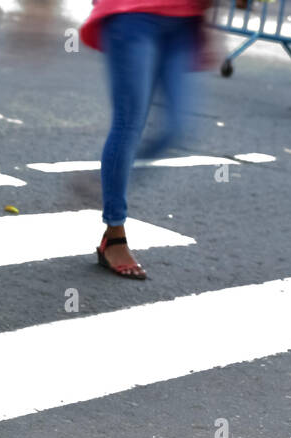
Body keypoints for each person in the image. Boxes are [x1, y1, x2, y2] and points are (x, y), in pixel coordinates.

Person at [81, 0, 211, 280]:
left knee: (176, 127)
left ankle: (100, 183)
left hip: (184, 20)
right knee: (129, 123)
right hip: (132, 14)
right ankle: (115, 234)